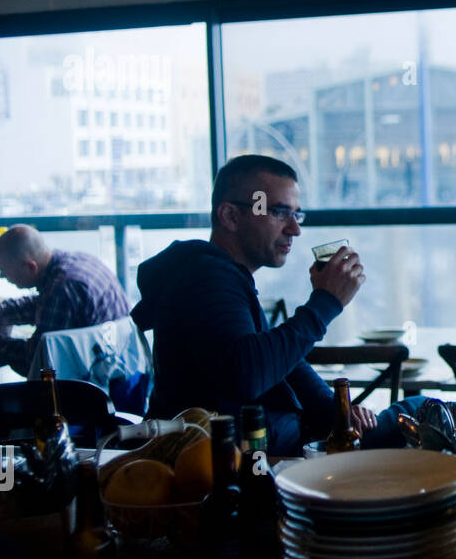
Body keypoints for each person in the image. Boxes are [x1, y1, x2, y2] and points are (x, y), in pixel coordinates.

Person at [130, 154, 375, 456]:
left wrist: (336, 409)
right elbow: (245, 374)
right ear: (231, 216)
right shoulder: (207, 278)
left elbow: (281, 364)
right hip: (223, 465)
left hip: (261, 449)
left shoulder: (224, 276)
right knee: (409, 419)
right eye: (278, 212)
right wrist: (325, 303)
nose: (294, 229)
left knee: (404, 416)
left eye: (297, 215)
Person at [0, 225, 130, 376]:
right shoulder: (78, 263)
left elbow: (33, 363)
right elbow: (42, 305)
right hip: (121, 373)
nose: (1, 276)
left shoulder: (63, 288)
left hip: (91, 388)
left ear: (30, 267)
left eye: (4, 270)